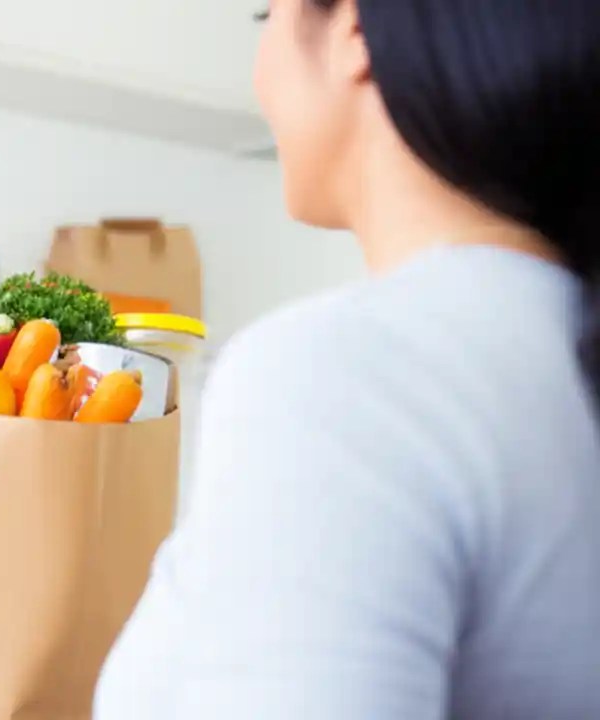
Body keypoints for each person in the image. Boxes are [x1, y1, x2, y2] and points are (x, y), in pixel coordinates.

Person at [96, 1, 599, 718]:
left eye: (267, 14)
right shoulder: (558, 344)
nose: (260, 72)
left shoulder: (341, 374)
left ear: (354, 31)